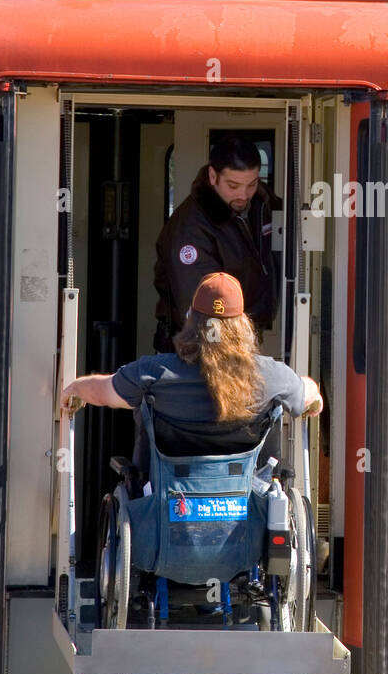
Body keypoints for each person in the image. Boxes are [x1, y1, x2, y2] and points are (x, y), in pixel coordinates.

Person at [61, 272, 321, 476]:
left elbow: (104, 392)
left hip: (170, 505)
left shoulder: (154, 373)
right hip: (247, 506)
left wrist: (75, 390)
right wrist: (313, 393)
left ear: (191, 321)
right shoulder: (273, 375)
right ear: (243, 326)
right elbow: (305, 394)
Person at [153, 134, 280, 352]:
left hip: (244, 337)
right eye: (233, 185)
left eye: (251, 184)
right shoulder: (190, 228)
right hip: (200, 347)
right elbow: (200, 308)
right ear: (213, 176)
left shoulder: (261, 202)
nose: (243, 195)